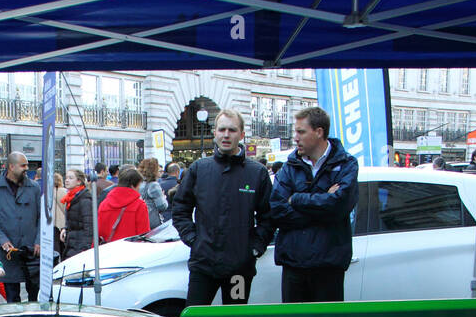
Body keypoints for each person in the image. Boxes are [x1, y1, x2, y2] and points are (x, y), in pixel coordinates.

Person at [170, 108, 273, 306]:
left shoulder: (257, 173)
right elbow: (180, 208)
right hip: (203, 264)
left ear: (241, 135)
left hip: (239, 270)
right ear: (215, 132)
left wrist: (254, 248)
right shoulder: (199, 169)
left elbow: (268, 216)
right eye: (222, 129)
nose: (226, 135)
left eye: (232, 130)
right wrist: (193, 239)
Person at [271, 105, 360, 304]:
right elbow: (277, 211)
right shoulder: (289, 167)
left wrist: (298, 199)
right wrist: (323, 204)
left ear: (319, 132)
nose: (295, 138)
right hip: (294, 265)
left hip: (329, 266)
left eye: (301, 132)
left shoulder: (347, 164)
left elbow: (339, 206)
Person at [0, 151, 41, 302]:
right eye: (23, 165)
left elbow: (42, 218)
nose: (26, 168)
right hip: (8, 252)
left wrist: (39, 241)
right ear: (11, 166)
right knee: (12, 298)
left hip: (31, 252)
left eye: (27, 165)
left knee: (35, 296)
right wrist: (2, 240)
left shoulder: (34, 188)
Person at [97, 166, 150, 243]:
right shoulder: (139, 205)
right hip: (131, 251)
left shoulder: (104, 203)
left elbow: (98, 233)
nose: (139, 189)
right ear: (133, 185)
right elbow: (143, 235)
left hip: (108, 250)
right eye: (139, 185)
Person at [60, 169, 93, 261]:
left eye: (70, 178)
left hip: (79, 245)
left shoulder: (84, 199)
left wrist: (85, 248)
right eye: (66, 178)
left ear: (79, 181)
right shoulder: (71, 197)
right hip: (72, 242)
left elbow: (89, 226)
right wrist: (65, 228)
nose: (66, 180)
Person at [137, 157, 168, 229]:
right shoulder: (154, 185)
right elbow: (162, 206)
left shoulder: (139, 183)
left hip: (141, 219)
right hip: (152, 220)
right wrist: (164, 197)